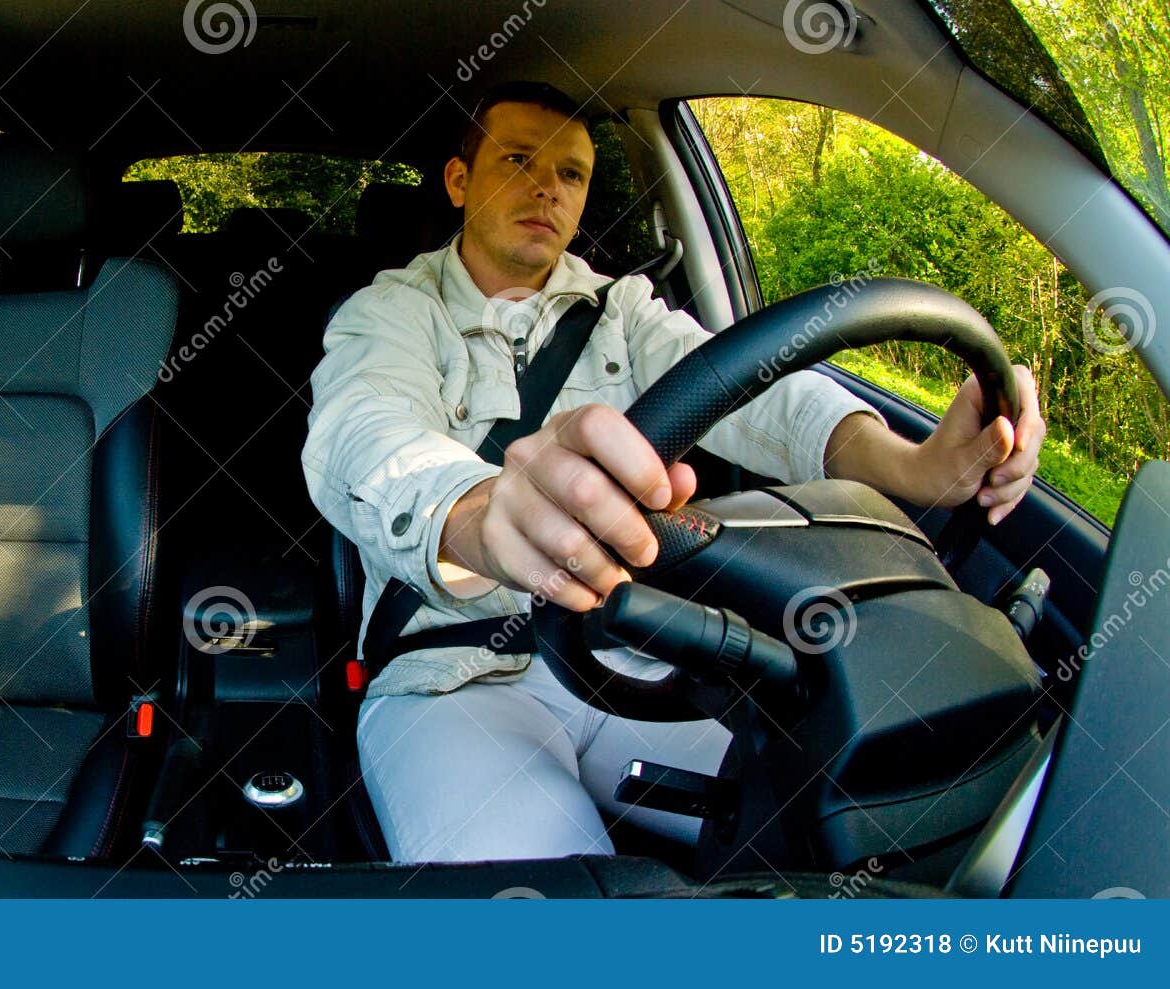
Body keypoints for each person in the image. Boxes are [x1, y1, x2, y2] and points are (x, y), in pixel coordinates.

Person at [301, 81, 1046, 863]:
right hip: (455, 681)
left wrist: (916, 464)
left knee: (848, 809)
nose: (547, 187)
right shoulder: (387, 311)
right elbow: (363, 432)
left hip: (625, 655)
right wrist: (481, 511)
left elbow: (763, 394)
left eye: (572, 174)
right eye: (518, 160)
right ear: (460, 181)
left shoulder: (623, 310)